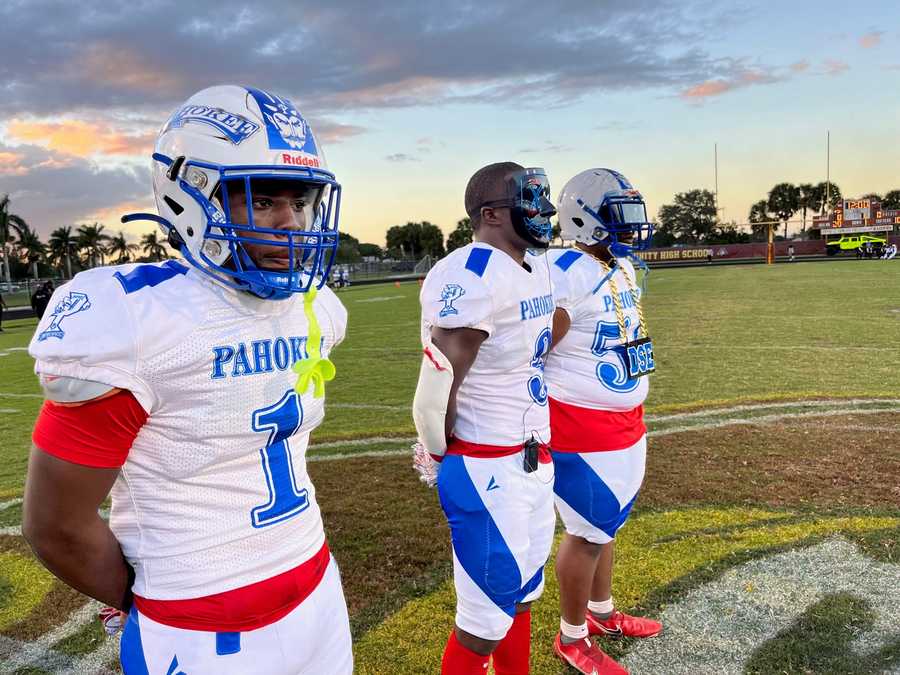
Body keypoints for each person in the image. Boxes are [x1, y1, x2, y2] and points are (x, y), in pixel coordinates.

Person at [23, 85, 351, 674]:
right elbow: (55, 526)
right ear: (191, 198)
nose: (292, 223)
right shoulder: (139, 318)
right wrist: (148, 602)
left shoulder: (315, 307)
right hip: (198, 623)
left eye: (300, 202)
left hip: (316, 586)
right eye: (263, 201)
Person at [413, 162, 558, 674]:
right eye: (529, 202)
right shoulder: (470, 274)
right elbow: (437, 386)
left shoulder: (533, 266)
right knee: (481, 627)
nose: (543, 211)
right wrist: (438, 454)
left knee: (521, 595)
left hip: (533, 456)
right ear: (491, 214)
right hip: (487, 464)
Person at [544, 169, 663, 674]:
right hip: (581, 425)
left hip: (625, 420)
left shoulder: (620, 266)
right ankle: (571, 637)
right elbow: (532, 352)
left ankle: (602, 613)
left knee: (605, 527)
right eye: (620, 214)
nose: (631, 225)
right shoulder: (563, 271)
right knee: (587, 533)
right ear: (583, 217)